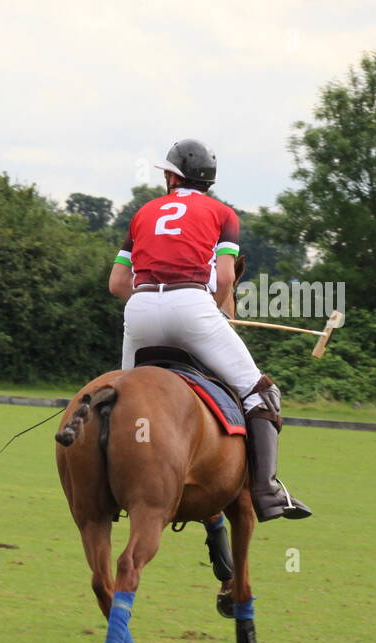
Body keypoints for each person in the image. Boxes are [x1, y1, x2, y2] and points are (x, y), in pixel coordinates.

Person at [108, 139, 310, 521]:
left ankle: (108, 483)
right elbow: (224, 280)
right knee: (260, 392)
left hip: (140, 310)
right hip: (192, 308)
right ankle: (266, 492)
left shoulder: (144, 213)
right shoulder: (224, 214)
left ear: (172, 176)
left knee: (122, 397)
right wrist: (214, 316)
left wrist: (154, 296)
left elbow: (118, 284)